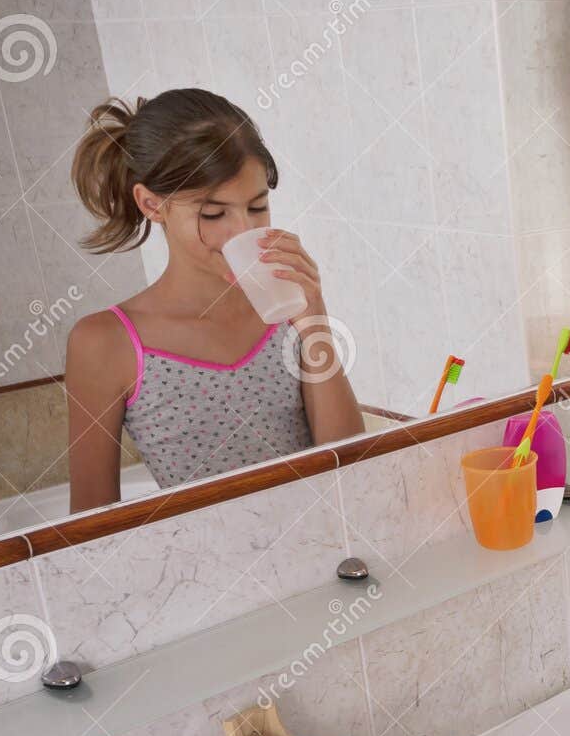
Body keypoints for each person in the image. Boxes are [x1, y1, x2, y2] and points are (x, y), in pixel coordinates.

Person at [65, 88, 363, 511]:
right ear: (152, 204)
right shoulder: (104, 343)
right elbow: (92, 528)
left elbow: (353, 473)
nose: (242, 230)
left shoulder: (285, 310)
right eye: (213, 214)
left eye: (257, 207)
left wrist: (314, 318)